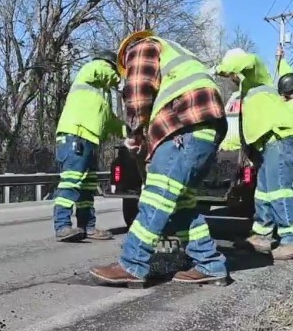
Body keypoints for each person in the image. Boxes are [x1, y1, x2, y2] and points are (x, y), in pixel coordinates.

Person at [89, 31, 229, 286]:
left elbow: (138, 92)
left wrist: (135, 132)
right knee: (182, 204)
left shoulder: (141, 47)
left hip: (182, 126)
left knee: (156, 197)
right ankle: (210, 263)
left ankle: (132, 263)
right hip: (204, 129)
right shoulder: (177, 53)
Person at [215, 49, 293, 260]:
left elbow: (246, 59)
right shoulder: (247, 91)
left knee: (279, 190)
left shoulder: (257, 78)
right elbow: (244, 129)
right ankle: (262, 234)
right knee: (264, 192)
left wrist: (219, 68)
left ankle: (289, 239)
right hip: (266, 144)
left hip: (279, 138)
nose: (230, 78)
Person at [52, 51, 123, 242]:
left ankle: (87, 227)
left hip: (89, 141)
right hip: (75, 135)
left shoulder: (102, 96)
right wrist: (124, 81)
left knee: (87, 186)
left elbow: (111, 123)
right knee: (71, 182)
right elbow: (103, 71)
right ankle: (62, 226)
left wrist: (134, 131)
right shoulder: (91, 69)